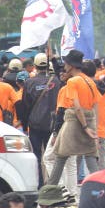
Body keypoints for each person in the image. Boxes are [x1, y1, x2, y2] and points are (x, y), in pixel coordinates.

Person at [46, 50, 100, 186]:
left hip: (74, 121)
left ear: (71, 65)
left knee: (61, 155)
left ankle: (50, 191)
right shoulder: (90, 81)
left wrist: (85, 127)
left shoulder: (73, 81)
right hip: (90, 121)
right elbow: (95, 107)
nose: (64, 66)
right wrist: (94, 129)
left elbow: (77, 107)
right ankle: (100, 188)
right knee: (91, 157)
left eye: (65, 63)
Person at [22, 52, 62, 186]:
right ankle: (53, 184)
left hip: (35, 124)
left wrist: (25, 126)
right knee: (52, 156)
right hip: (52, 124)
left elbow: (25, 106)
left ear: (34, 65)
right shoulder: (56, 81)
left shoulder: (29, 82)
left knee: (37, 156)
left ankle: (39, 184)